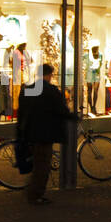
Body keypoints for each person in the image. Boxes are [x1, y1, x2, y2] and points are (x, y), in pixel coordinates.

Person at [16, 64, 75, 205]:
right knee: (42, 165)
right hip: (44, 134)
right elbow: (61, 110)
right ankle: (35, 195)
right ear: (49, 75)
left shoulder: (27, 89)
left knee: (37, 163)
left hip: (30, 132)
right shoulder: (51, 90)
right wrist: (73, 117)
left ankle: (32, 191)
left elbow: (21, 112)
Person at [86, 46, 102, 116]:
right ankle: (91, 107)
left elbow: (100, 64)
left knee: (95, 91)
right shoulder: (87, 55)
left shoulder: (100, 55)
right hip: (90, 74)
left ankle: (93, 107)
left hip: (96, 74)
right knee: (90, 91)